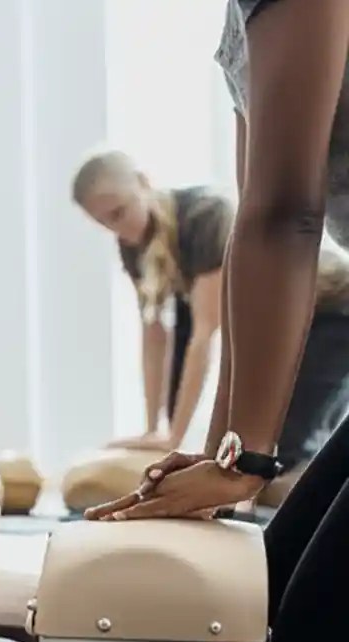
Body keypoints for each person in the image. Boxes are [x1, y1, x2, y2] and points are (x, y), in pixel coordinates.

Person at [86, 1, 349, 642]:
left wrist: (250, 462)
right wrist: (216, 456)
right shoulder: (242, 29)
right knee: (268, 588)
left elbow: (289, 216)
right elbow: (257, 227)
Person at [74, 150, 349, 482]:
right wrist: (152, 431)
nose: (116, 228)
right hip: (278, 324)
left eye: (119, 212)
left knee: (284, 454)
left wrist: (174, 439)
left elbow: (207, 332)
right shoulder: (134, 244)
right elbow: (154, 335)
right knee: (272, 456)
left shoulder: (206, 214)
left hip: (331, 311)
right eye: (103, 222)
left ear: (143, 183)